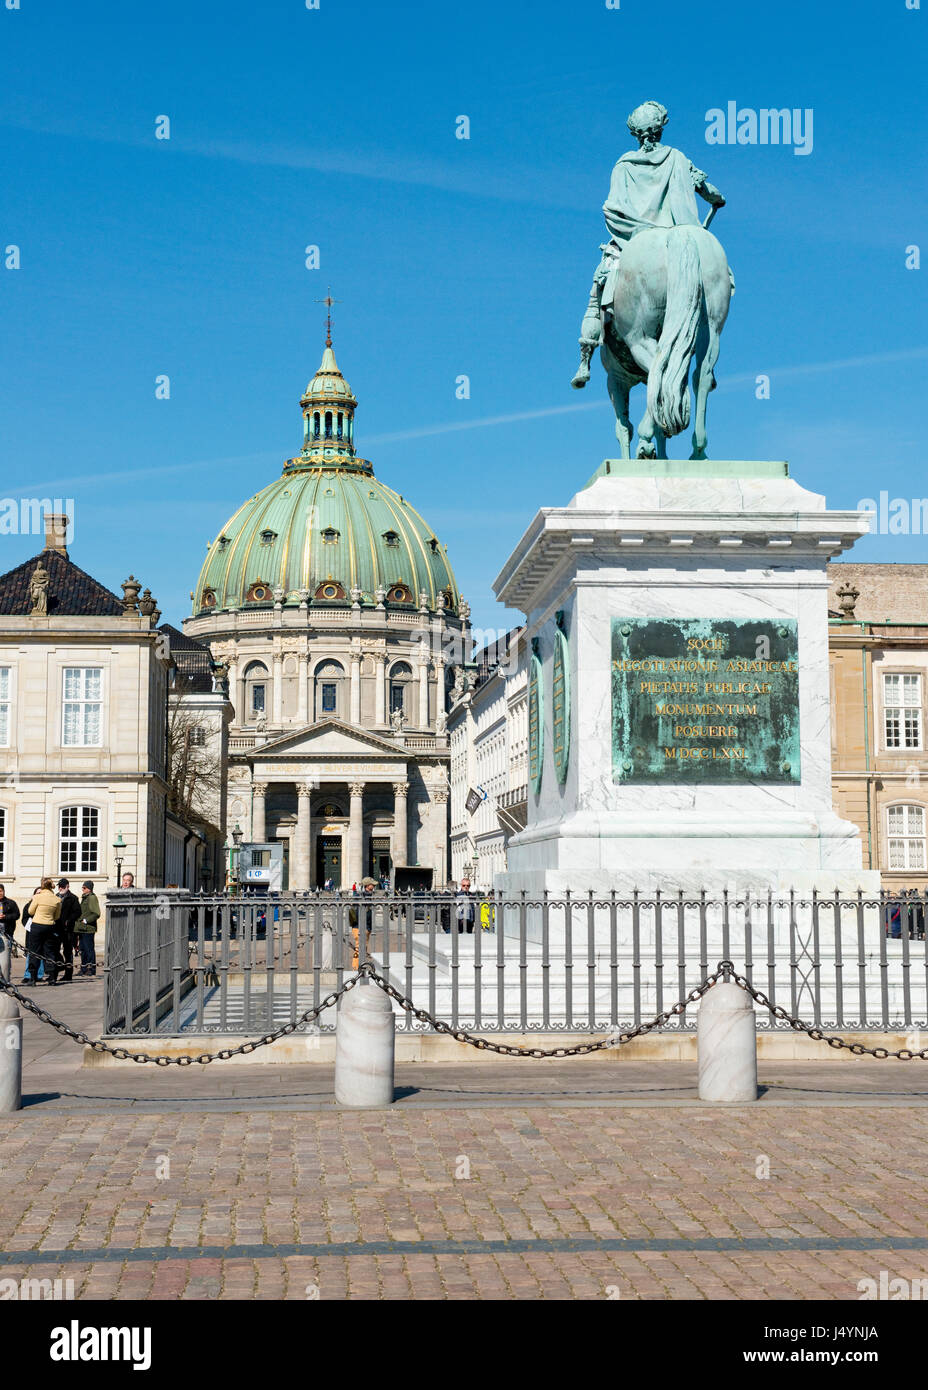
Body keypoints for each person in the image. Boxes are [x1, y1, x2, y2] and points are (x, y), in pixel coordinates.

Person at [571, 100, 726, 389]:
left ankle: (585, 360)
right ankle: (708, 360)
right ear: (660, 130)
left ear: (635, 133)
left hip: (633, 239)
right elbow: (708, 190)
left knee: (597, 289)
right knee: (722, 278)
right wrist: (717, 199)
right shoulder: (678, 158)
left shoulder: (624, 165)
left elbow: (613, 207)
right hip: (681, 231)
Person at [24, 878, 62, 985]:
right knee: (49, 951)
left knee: (34, 951)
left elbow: (30, 911)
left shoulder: (38, 897)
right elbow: (57, 916)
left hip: (37, 926)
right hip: (50, 926)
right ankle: (52, 977)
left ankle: (32, 978)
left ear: (42, 885)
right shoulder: (56, 899)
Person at [55, 877, 81, 983]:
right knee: (54, 951)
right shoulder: (55, 897)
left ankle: (68, 974)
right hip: (56, 928)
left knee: (68, 952)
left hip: (68, 930)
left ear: (67, 886)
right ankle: (54, 973)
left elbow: (77, 912)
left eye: (62, 887)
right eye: (59, 887)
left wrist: (69, 920)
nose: (60, 888)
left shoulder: (73, 898)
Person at [348, 877, 376, 968]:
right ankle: (356, 968)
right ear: (368, 886)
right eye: (372, 884)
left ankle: (361, 966)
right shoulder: (364, 896)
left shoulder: (366, 895)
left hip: (363, 927)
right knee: (359, 948)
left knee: (361, 948)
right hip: (360, 927)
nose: (374, 886)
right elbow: (361, 913)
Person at [76, 881, 101, 976]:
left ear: (89, 889)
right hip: (82, 928)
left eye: (84, 888)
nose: (82, 889)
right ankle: (84, 968)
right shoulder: (85, 898)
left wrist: (86, 920)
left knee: (89, 949)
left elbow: (96, 913)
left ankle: (91, 968)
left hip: (88, 928)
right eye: (82, 887)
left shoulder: (92, 898)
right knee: (83, 949)